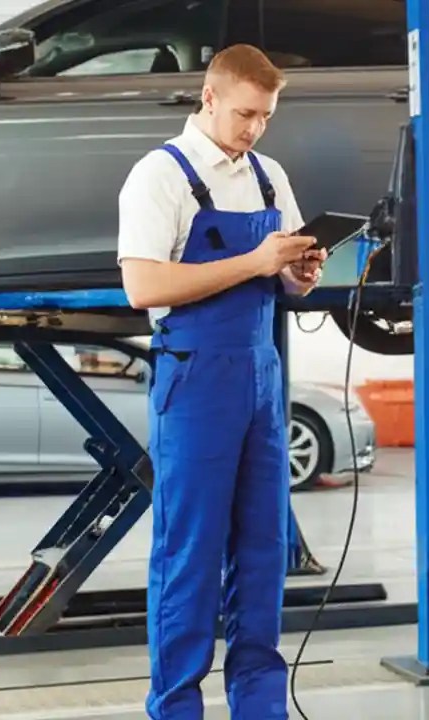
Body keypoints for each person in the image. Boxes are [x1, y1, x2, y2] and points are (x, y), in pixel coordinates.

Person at [117, 44, 327, 719]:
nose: (254, 129)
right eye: (245, 113)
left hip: (261, 373)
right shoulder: (159, 176)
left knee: (264, 550)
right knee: (189, 553)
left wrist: (297, 274)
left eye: (266, 116)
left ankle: (260, 708)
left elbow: (284, 271)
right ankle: (175, 708)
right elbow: (143, 285)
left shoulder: (269, 175)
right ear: (208, 98)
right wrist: (255, 260)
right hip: (195, 375)